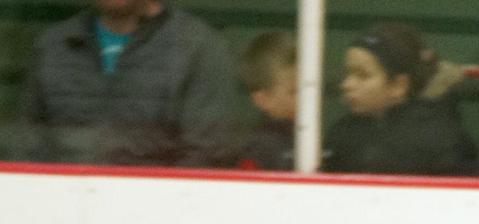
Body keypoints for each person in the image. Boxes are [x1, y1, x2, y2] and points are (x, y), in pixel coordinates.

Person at [16, 0, 235, 167]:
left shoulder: (197, 47)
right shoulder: (53, 46)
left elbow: (208, 155)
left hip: (161, 214)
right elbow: (26, 147)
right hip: (62, 211)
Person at [322, 22, 478, 175]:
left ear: (398, 85)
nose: (347, 85)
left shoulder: (442, 140)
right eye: (349, 73)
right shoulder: (342, 133)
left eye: (363, 75)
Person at [238, 31, 297, 171]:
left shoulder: (302, 136)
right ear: (263, 100)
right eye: (294, 91)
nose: (306, 100)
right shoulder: (259, 148)